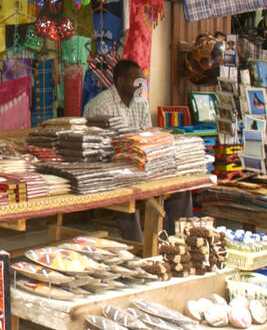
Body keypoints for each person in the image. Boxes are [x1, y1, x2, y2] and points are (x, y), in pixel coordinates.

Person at [81, 59, 192, 245]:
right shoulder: (100, 105)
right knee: (128, 192)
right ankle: (139, 246)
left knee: (180, 184)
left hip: (139, 162)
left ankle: (181, 241)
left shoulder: (140, 102)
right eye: (136, 80)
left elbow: (147, 134)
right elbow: (101, 147)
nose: (141, 84)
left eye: (142, 80)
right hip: (111, 163)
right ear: (121, 81)